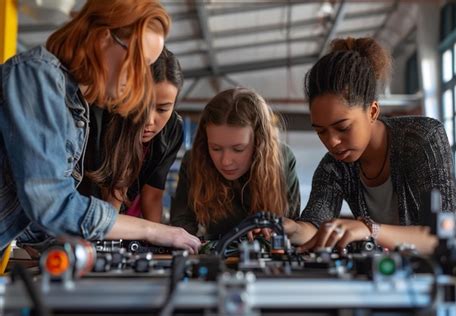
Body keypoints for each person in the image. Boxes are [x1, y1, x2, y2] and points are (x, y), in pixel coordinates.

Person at [0, 0, 200, 255]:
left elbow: (35, 217)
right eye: (139, 63)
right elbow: (52, 206)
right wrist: (154, 230)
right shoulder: (36, 77)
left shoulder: (74, 104)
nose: (141, 80)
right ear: (105, 38)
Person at [284, 37, 456, 255]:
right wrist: (290, 228)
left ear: (373, 111)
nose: (332, 142)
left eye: (343, 127)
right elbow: (316, 223)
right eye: (321, 131)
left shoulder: (422, 139)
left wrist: (369, 229)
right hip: (396, 279)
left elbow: (441, 235)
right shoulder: (334, 167)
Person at [171, 87, 301, 240]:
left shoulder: (283, 159)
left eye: (238, 149)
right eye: (216, 148)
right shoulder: (193, 160)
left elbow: (293, 226)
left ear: (259, 143)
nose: (225, 161)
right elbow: (181, 224)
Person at [81, 47, 184, 224]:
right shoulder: (96, 118)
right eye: (140, 107)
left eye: (162, 109)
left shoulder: (173, 129)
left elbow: (152, 196)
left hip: (125, 224)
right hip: (84, 218)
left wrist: (155, 242)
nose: (149, 121)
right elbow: (109, 203)